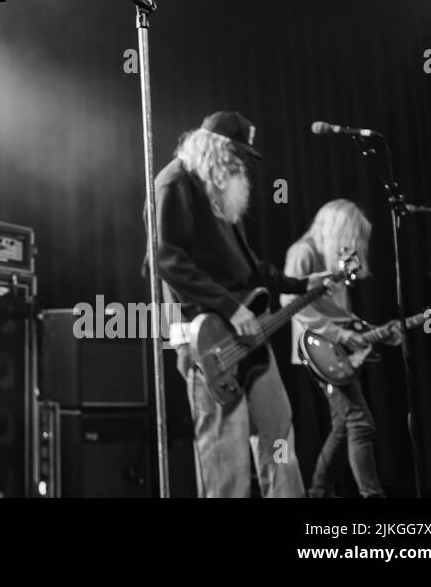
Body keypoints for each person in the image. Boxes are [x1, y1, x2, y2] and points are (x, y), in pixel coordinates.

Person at [152, 111, 309, 497]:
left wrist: (303, 283)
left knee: (278, 431)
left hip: (249, 332)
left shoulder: (218, 191)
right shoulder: (174, 182)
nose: (241, 164)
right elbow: (167, 259)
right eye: (236, 154)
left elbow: (249, 267)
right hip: (211, 335)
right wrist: (230, 307)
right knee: (225, 454)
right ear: (213, 147)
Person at [283, 199, 393, 498]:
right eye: (351, 236)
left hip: (336, 351)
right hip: (318, 352)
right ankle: (373, 494)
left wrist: (371, 332)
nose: (354, 246)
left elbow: (338, 312)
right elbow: (291, 306)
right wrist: (341, 336)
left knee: (343, 425)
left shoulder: (334, 260)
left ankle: (318, 490)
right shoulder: (302, 252)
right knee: (361, 422)